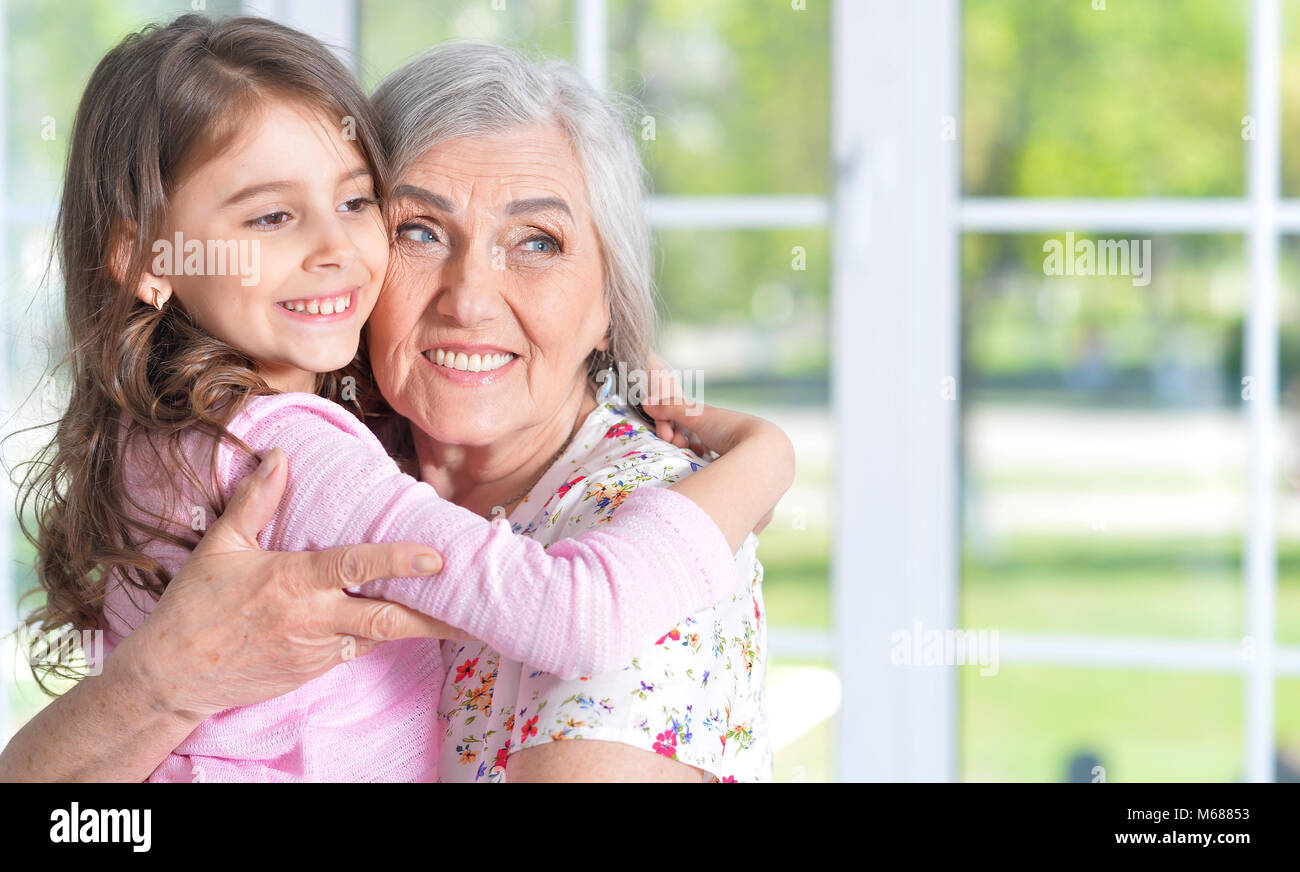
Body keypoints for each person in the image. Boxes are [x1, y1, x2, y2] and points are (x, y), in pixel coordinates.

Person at [3, 17, 791, 782]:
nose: (470, 301)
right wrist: (767, 455)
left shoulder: (652, 525)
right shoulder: (311, 453)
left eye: (538, 243)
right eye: (418, 230)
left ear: (608, 298)